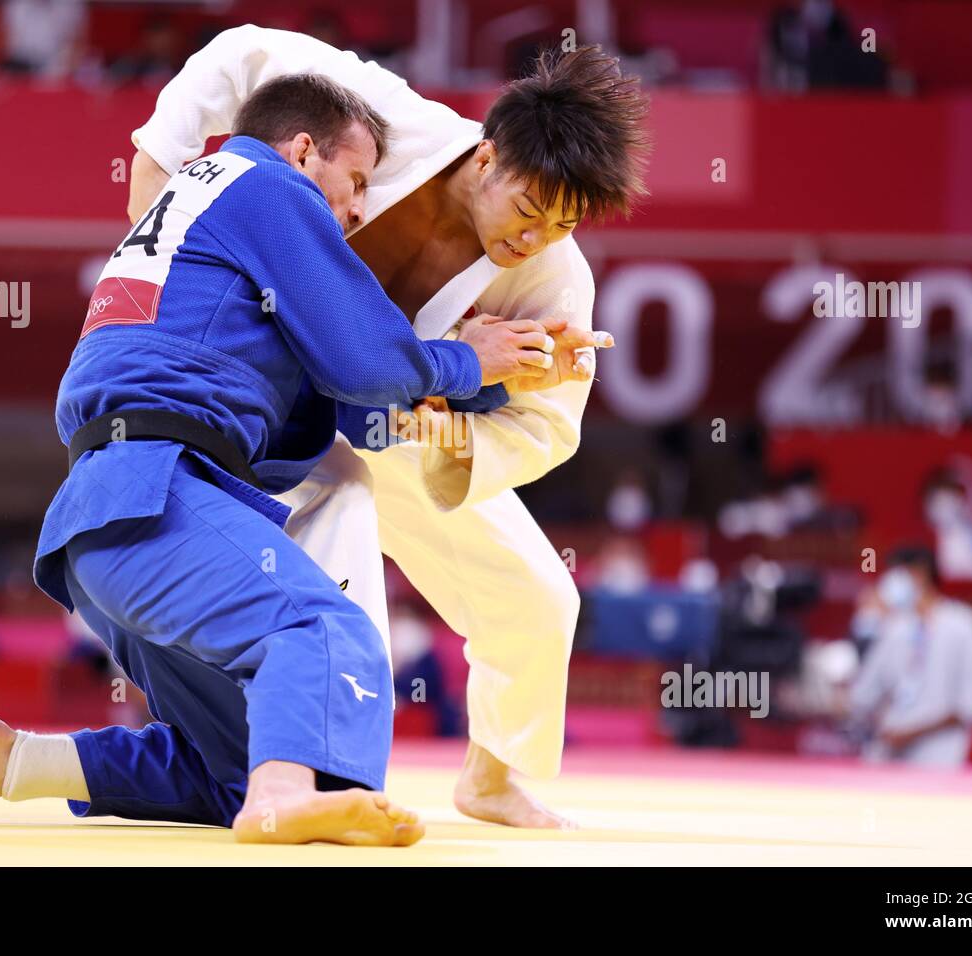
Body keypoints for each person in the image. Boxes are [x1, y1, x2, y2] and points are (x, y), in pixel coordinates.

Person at [0, 73, 554, 846]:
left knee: (228, 765)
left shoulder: (211, 221)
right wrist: (465, 362)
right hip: (158, 489)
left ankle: (11, 762)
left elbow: (348, 410)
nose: (362, 207)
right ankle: (281, 802)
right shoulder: (267, 187)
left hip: (107, 522)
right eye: (357, 179)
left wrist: (491, 385)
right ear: (304, 152)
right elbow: (371, 361)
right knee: (322, 628)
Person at [126, 24, 649, 827]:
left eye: (562, 226)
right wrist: (160, 171)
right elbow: (241, 51)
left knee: (541, 598)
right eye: (529, 209)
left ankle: (492, 777)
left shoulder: (554, 278)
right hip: (265, 395)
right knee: (339, 529)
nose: (533, 239)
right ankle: (327, 767)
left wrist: (462, 440)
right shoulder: (389, 122)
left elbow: (549, 426)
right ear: (486, 159)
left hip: (397, 427)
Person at [845, 546, 972, 769]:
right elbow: (864, 696)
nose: (889, 585)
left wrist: (911, 733)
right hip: (888, 753)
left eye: (896, 576)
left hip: (940, 754)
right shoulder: (894, 627)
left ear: (919, 574)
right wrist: (868, 626)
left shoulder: (963, 624)